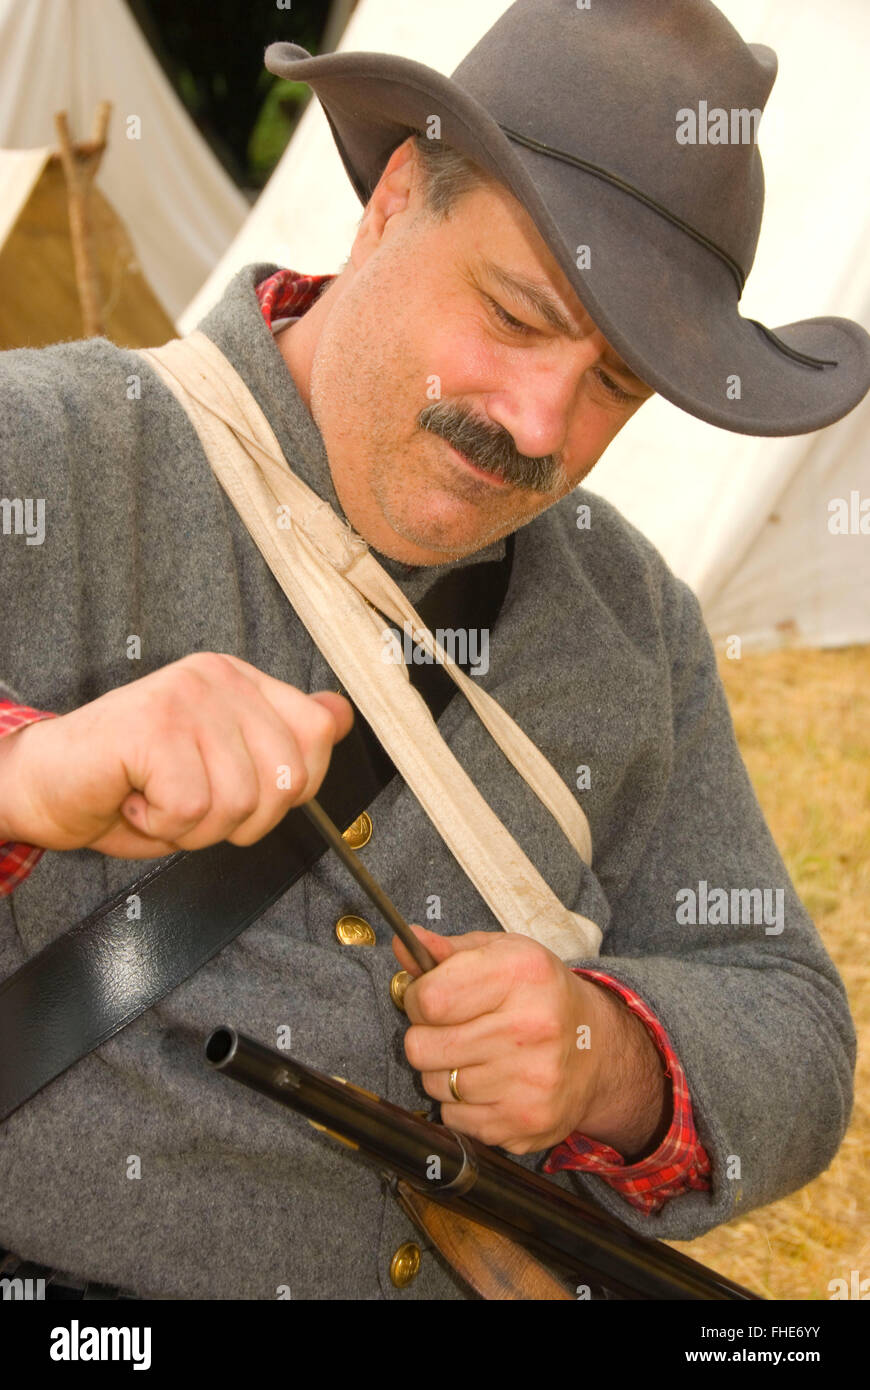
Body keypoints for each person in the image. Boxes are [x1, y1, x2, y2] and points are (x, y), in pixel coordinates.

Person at [0, 0, 866, 1300]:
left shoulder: (629, 611)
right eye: (517, 315)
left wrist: (605, 1051)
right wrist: (33, 773)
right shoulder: (42, 448)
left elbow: (789, 1017)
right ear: (393, 199)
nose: (538, 424)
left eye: (616, 383)